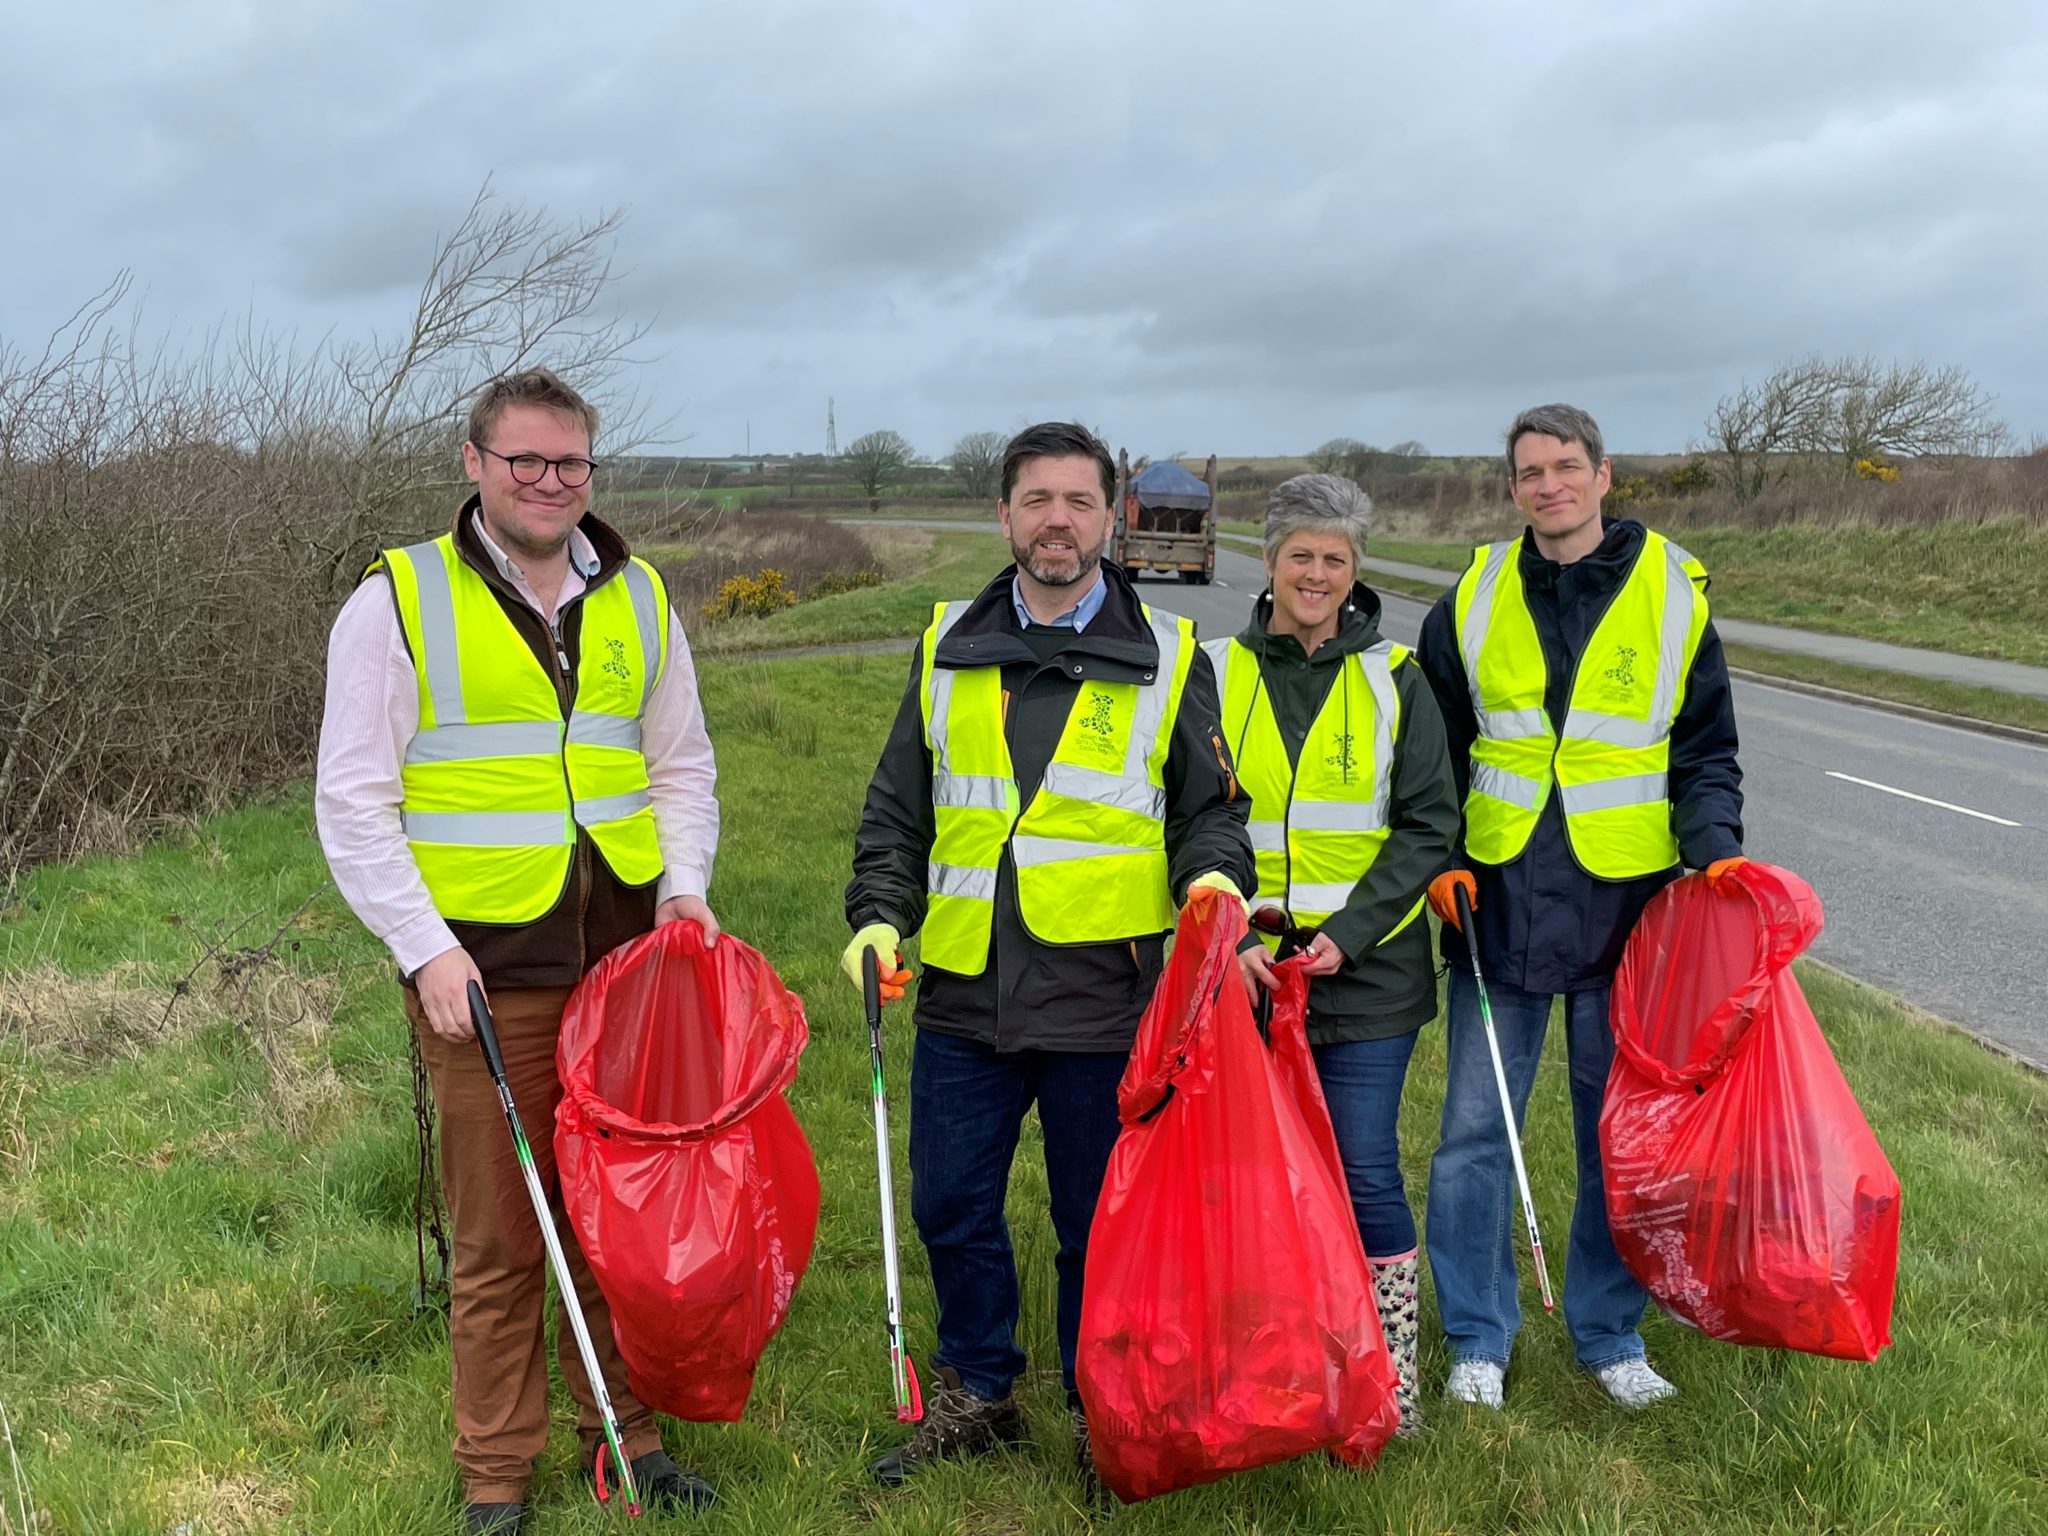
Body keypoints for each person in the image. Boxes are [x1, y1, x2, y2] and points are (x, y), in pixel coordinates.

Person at [315, 368, 721, 1535]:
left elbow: (678, 764)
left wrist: (683, 890)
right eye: (524, 460)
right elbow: (353, 801)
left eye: (569, 462)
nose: (550, 481)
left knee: (622, 1222)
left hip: (628, 970)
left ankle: (629, 1437)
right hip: (484, 980)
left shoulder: (637, 593)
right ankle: (496, 1478)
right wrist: (423, 949)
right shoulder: (397, 600)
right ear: (474, 463)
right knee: (503, 1240)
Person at [842, 422, 1254, 1492]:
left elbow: (1210, 813)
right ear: (1004, 516)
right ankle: (978, 1387)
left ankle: (1091, 1403)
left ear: (1110, 518)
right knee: (949, 1208)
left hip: (1104, 998)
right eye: (1036, 500)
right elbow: (897, 812)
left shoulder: (1171, 654)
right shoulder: (946, 642)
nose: (1056, 521)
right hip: (964, 993)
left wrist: (1213, 880)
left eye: (1078, 501)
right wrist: (879, 916)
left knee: (1094, 1225)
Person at [1418, 403, 1745, 1412]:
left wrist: (1716, 855)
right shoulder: (1470, 597)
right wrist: (1440, 859)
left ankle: (1609, 1336)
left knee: (1619, 1136)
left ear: (1604, 476)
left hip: (1627, 913)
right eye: (1530, 472)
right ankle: (1477, 1339)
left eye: (1565, 466)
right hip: (1496, 903)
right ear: (1512, 487)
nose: (1548, 485)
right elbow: (1430, 753)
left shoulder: (1674, 596)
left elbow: (1705, 753)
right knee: (1475, 1136)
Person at [1208, 473, 1458, 1434]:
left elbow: (1428, 825)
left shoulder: (1398, 678)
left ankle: (1388, 1377)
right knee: (1247, 1175)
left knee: (1361, 1168)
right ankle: (1273, 1357)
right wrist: (1232, 934)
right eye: (1301, 555)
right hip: (1242, 971)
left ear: (1357, 570)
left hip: (1368, 976)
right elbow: (1186, 816)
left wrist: (1346, 939)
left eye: (1336, 559)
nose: (1317, 575)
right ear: (1268, 560)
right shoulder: (1212, 673)